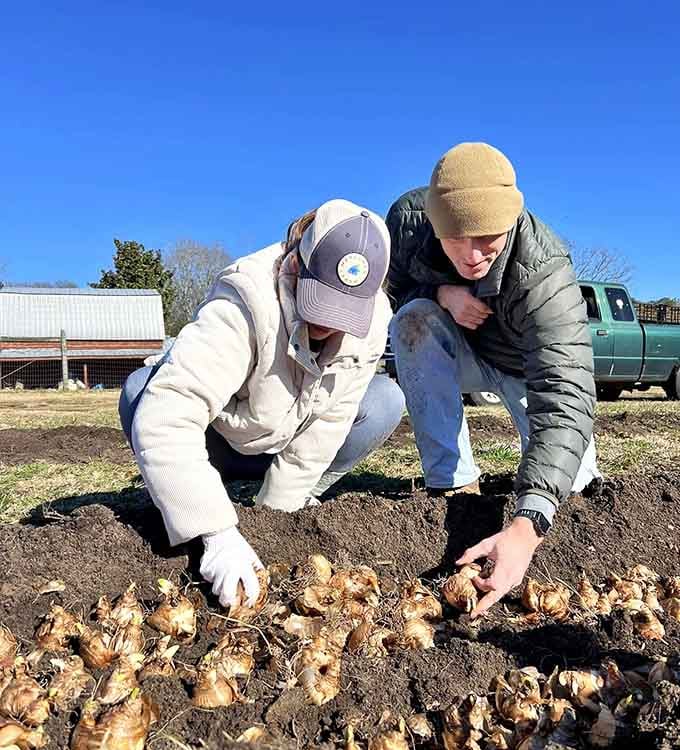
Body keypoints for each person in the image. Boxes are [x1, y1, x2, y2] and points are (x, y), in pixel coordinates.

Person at [120, 199, 404, 609]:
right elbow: (168, 414)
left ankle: (297, 495)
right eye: (319, 300)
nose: (328, 323)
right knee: (142, 393)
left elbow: (331, 421)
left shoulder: (374, 320)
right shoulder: (246, 302)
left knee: (383, 400)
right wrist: (217, 532)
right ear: (296, 265)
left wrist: (273, 519)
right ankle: (194, 493)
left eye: (344, 311)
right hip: (220, 443)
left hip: (287, 442)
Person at [386, 142, 600, 618]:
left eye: (489, 237)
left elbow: (565, 390)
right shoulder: (405, 224)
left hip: (523, 369)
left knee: (575, 488)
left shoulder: (544, 274)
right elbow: (397, 288)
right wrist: (441, 293)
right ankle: (453, 484)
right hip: (462, 348)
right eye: (456, 238)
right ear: (435, 223)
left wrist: (527, 524)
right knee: (413, 320)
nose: (473, 254)